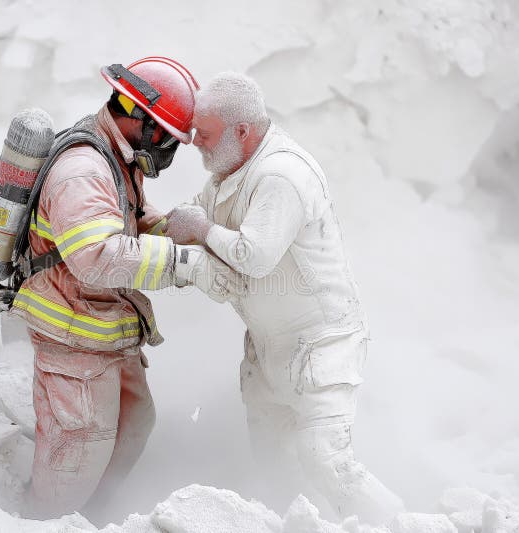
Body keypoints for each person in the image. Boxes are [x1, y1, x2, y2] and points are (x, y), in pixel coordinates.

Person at [165, 72, 404, 524]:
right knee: (273, 464)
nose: (195, 142)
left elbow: (254, 257)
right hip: (269, 347)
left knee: (325, 460)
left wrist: (199, 231)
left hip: (320, 342)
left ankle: (403, 525)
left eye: (205, 134)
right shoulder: (225, 168)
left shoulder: (281, 177)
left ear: (242, 131)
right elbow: (190, 216)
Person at [11, 57, 243, 518]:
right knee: (78, 453)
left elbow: (124, 221)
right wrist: (184, 262)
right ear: (141, 119)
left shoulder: (115, 155)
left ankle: (94, 516)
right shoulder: (83, 170)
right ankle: (45, 520)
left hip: (104, 324)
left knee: (135, 423)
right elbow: (97, 257)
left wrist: (176, 229)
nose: (170, 155)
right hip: (73, 333)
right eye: (169, 142)